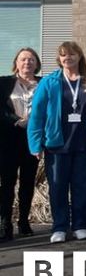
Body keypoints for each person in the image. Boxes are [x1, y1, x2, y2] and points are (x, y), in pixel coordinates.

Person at [28, 42, 86, 243]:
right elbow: (37, 115)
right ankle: (60, 227)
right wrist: (35, 144)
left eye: (71, 54)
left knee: (82, 186)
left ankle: (80, 225)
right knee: (58, 187)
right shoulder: (49, 82)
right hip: (57, 144)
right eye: (63, 55)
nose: (67, 58)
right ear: (59, 58)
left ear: (79, 57)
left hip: (84, 143)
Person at [0, 48, 42, 240]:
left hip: (32, 140)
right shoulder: (4, 83)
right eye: (23, 59)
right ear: (16, 62)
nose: (27, 63)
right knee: (7, 183)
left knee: (28, 182)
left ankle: (23, 222)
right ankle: (5, 223)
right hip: (9, 138)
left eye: (31, 59)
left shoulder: (43, 83)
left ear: (37, 63)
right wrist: (15, 120)